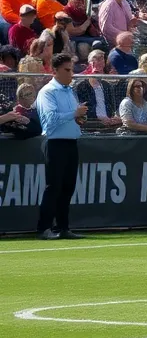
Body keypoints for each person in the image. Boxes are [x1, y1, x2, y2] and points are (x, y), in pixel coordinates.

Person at [34, 53, 87, 240]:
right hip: (55, 143)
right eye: (67, 70)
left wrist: (78, 118)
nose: (71, 74)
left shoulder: (69, 91)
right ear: (54, 71)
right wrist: (74, 113)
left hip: (71, 142)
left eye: (71, 70)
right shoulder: (48, 92)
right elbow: (50, 121)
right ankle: (44, 228)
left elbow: (69, 117)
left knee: (68, 187)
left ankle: (63, 227)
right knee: (53, 187)